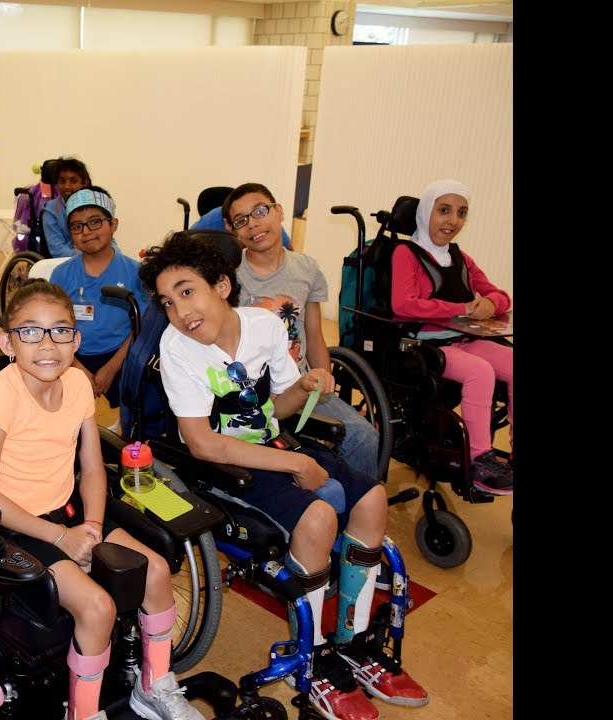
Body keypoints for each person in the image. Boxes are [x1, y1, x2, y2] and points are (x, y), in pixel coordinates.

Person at [140, 233, 428, 720]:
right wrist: (297, 463)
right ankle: (311, 663)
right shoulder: (177, 348)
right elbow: (203, 443)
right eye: (168, 302)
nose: (180, 311)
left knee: (373, 499)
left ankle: (352, 646)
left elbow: (276, 409)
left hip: (272, 443)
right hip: (221, 466)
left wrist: (306, 385)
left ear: (223, 286)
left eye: (187, 291)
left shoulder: (265, 326)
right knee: (317, 518)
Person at [0, 280, 203, 720]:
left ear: (76, 340)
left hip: (71, 513)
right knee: (98, 608)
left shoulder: (76, 383)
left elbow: (92, 469)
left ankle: (154, 686)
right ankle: (84, 712)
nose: (47, 344)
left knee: (155, 570)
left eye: (60, 331)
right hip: (17, 526)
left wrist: (91, 529)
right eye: (31, 331)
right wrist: (62, 539)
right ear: (8, 341)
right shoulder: (1, 393)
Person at [221, 183, 381, 482]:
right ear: (233, 230)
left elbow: (314, 333)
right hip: (256, 390)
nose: (253, 223)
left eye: (260, 211)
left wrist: (322, 374)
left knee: (364, 437)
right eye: (242, 220)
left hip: (302, 383)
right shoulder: (230, 279)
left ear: (278, 211)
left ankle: (363, 512)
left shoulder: (306, 268)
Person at [389, 179, 512, 495]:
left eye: (461, 213)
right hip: (425, 342)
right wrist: (460, 308)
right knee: (479, 371)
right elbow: (402, 304)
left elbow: (500, 296)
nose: (453, 221)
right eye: (444, 211)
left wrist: (489, 303)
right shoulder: (406, 253)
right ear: (426, 212)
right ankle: (479, 459)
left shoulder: (461, 258)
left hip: (465, 338)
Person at [51, 187, 147, 410]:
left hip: (121, 354)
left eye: (95, 222)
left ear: (113, 224)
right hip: (72, 354)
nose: (86, 231)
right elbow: (54, 329)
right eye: (77, 227)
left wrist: (111, 368)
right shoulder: (61, 275)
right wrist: (75, 366)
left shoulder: (135, 272)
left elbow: (140, 328)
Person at [41, 157, 93, 260]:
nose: (67, 186)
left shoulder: (95, 206)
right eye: (62, 181)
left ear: (85, 182)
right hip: (68, 262)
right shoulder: (51, 212)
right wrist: (86, 256)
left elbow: (108, 240)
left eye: (73, 181)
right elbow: (57, 250)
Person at [191, 202, 290, 249]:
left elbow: (289, 251)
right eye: (241, 221)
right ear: (227, 226)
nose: (252, 225)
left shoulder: (268, 224)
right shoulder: (210, 222)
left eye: (258, 212)